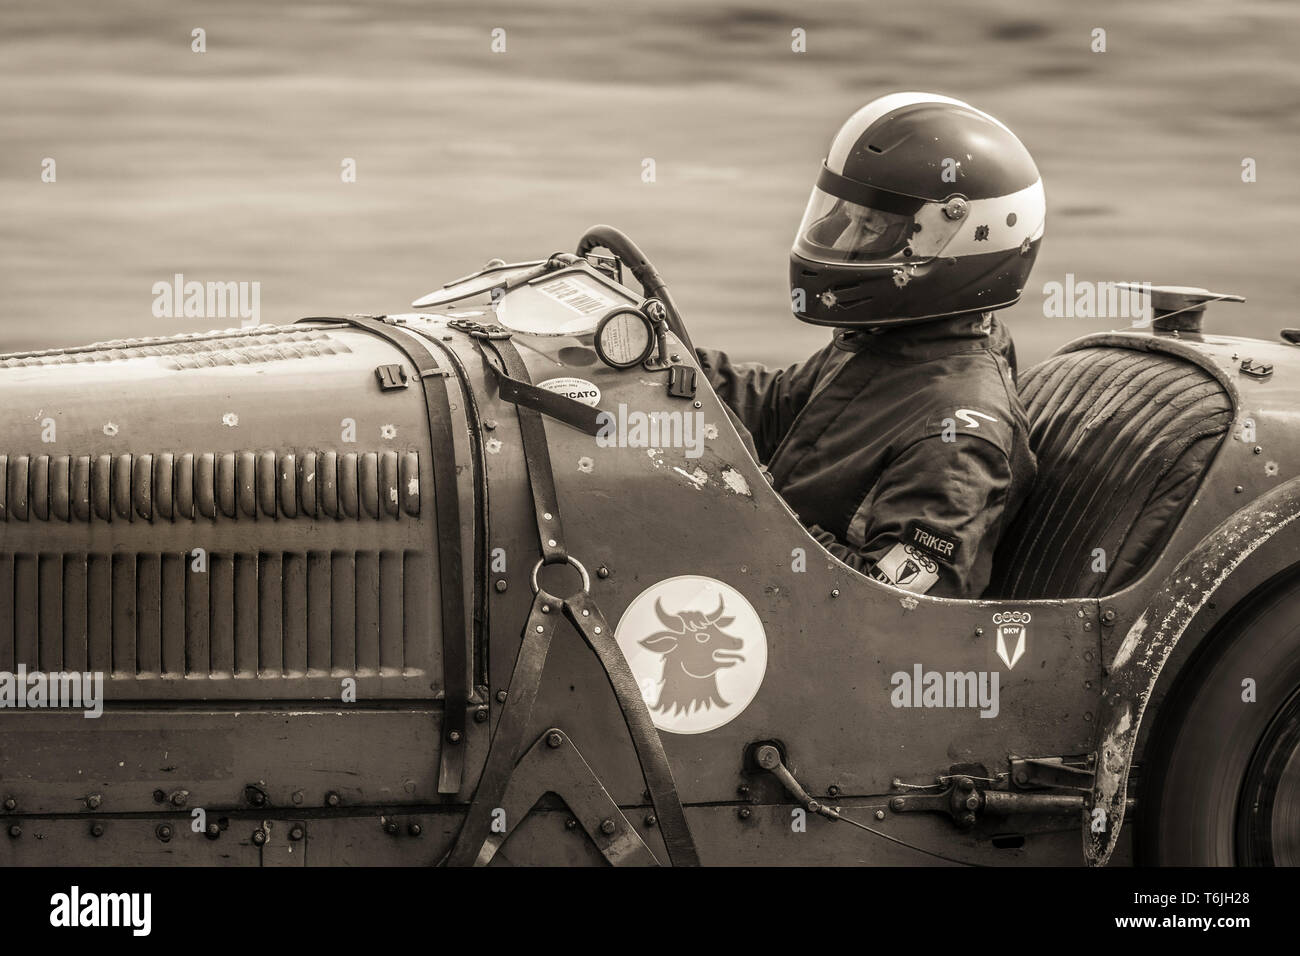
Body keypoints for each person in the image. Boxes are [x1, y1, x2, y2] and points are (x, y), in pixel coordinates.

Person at [696, 92, 1043, 598]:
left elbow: (896, 603)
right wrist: (662, 357)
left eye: (873, 228)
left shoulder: (957, 437)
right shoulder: (893, 345)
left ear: (954, 239)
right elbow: (773, 407)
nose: (846, 239)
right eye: (848, 218)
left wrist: (749, 503)